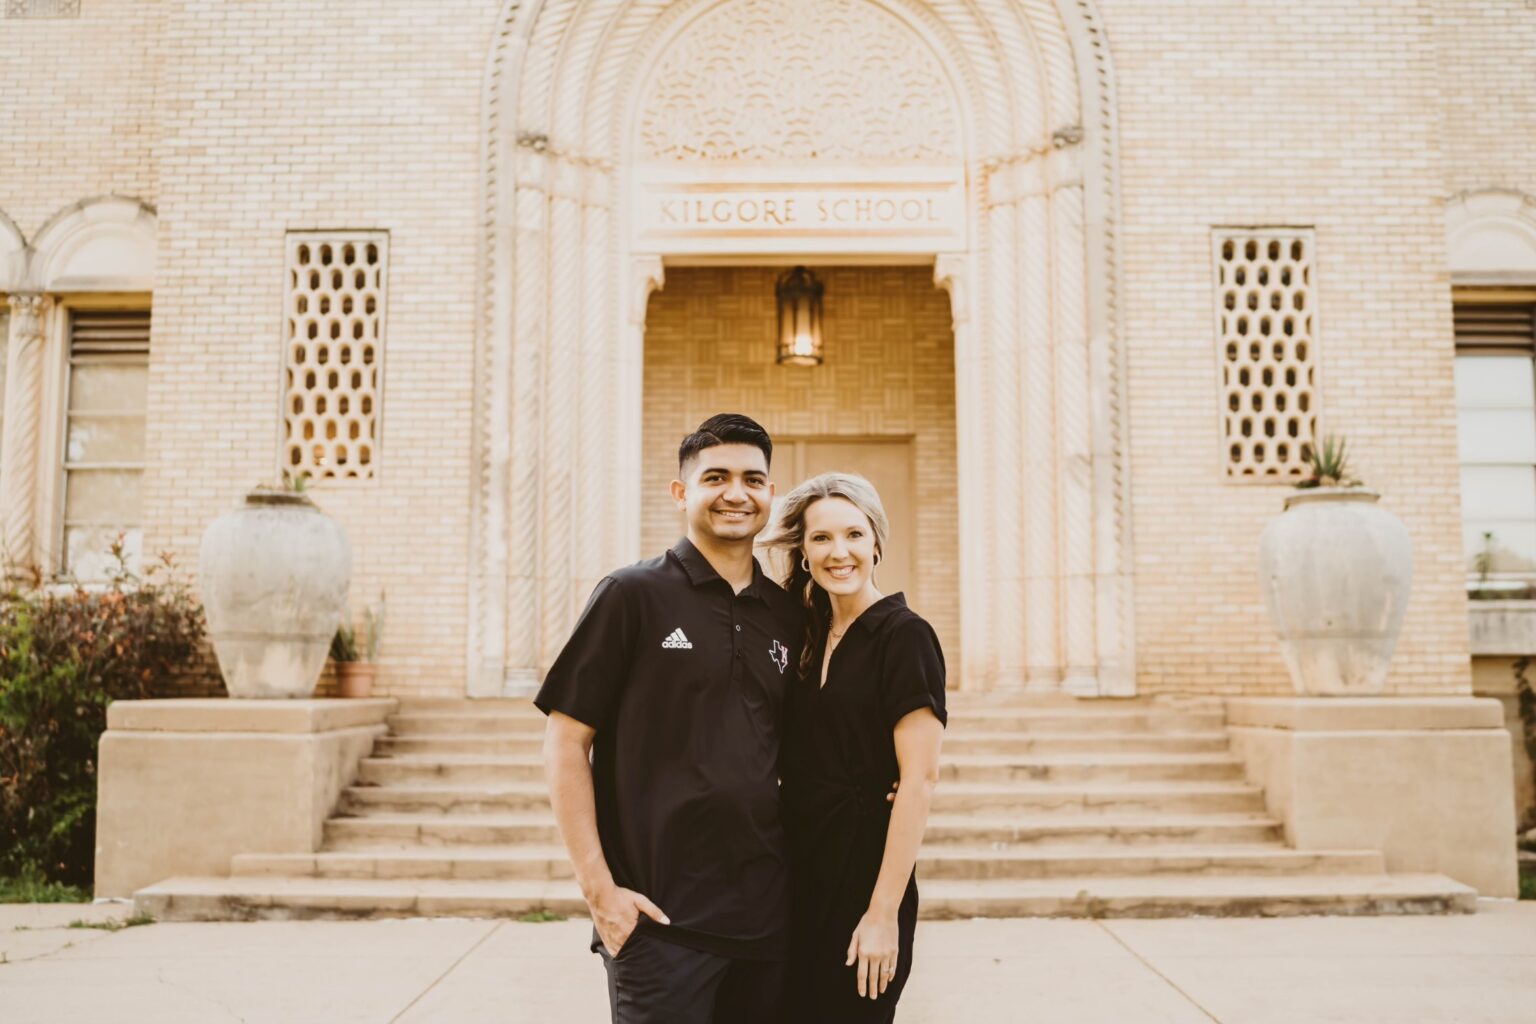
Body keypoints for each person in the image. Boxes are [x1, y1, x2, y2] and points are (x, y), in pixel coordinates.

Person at [535, 413, 802, 1024]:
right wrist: (601, 893)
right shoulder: (631, 594)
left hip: (765, 920)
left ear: (769, 495)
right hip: (659, 924)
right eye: (717, 477)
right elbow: (566, 741)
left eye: (753, 480)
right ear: (682, 493)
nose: (737, 493)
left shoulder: (787, 616)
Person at [763, 472, 947, 1023]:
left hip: (864, 881)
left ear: (876, 543)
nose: (838, 552)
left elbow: (918, 779)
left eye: (853, 535)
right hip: (793, 876)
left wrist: (882, 913)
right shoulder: (804, 632)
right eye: (820, 538)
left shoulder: (905, 636)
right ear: (803, 552)